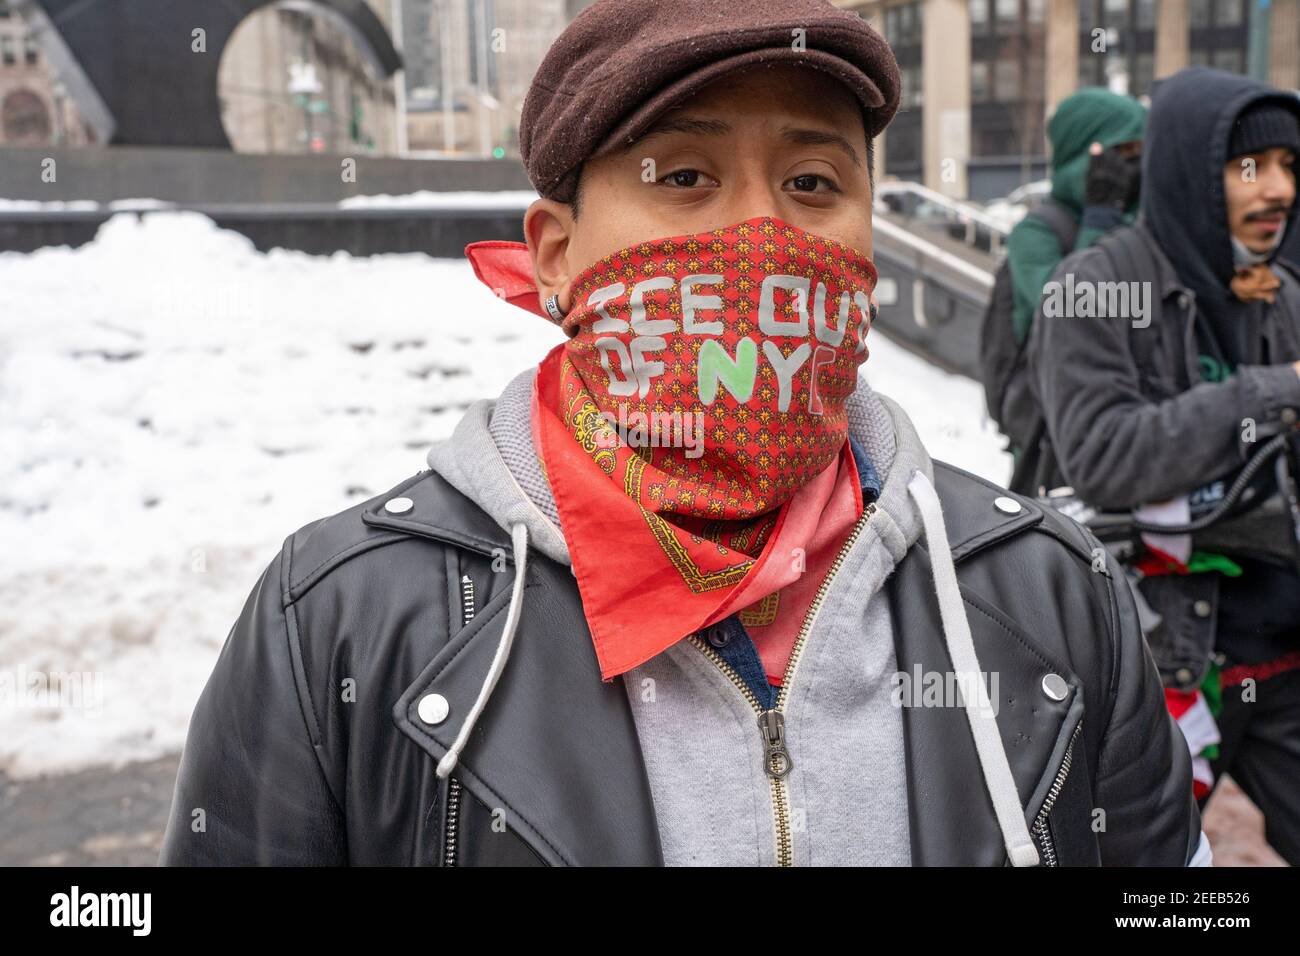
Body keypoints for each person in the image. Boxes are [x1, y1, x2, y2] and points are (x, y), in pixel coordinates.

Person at [160, 0, 1201, 867]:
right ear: (557, 253)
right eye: (682, 178)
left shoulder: (1047, 593)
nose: (759, 234)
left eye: (811, 184)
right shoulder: (340, 621)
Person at [1029, 67, 1300, 864]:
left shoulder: (1282, 291)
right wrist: (1273, 393)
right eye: (1251, 166)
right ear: (1189, 167)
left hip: (1285, 655)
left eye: (1291, 165)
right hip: (1165, 657)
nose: (1278, 188)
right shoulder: (1092, 287)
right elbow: (1105, 456)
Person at [982, 87, 1145, 495]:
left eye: (1141, 149)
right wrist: (1100, 219)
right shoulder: (1037, 233)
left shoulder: (1137, 221)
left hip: (1123, 426)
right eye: (1122, 150)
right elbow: (1071, 308)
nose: (1133, 164)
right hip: (1048, 436)